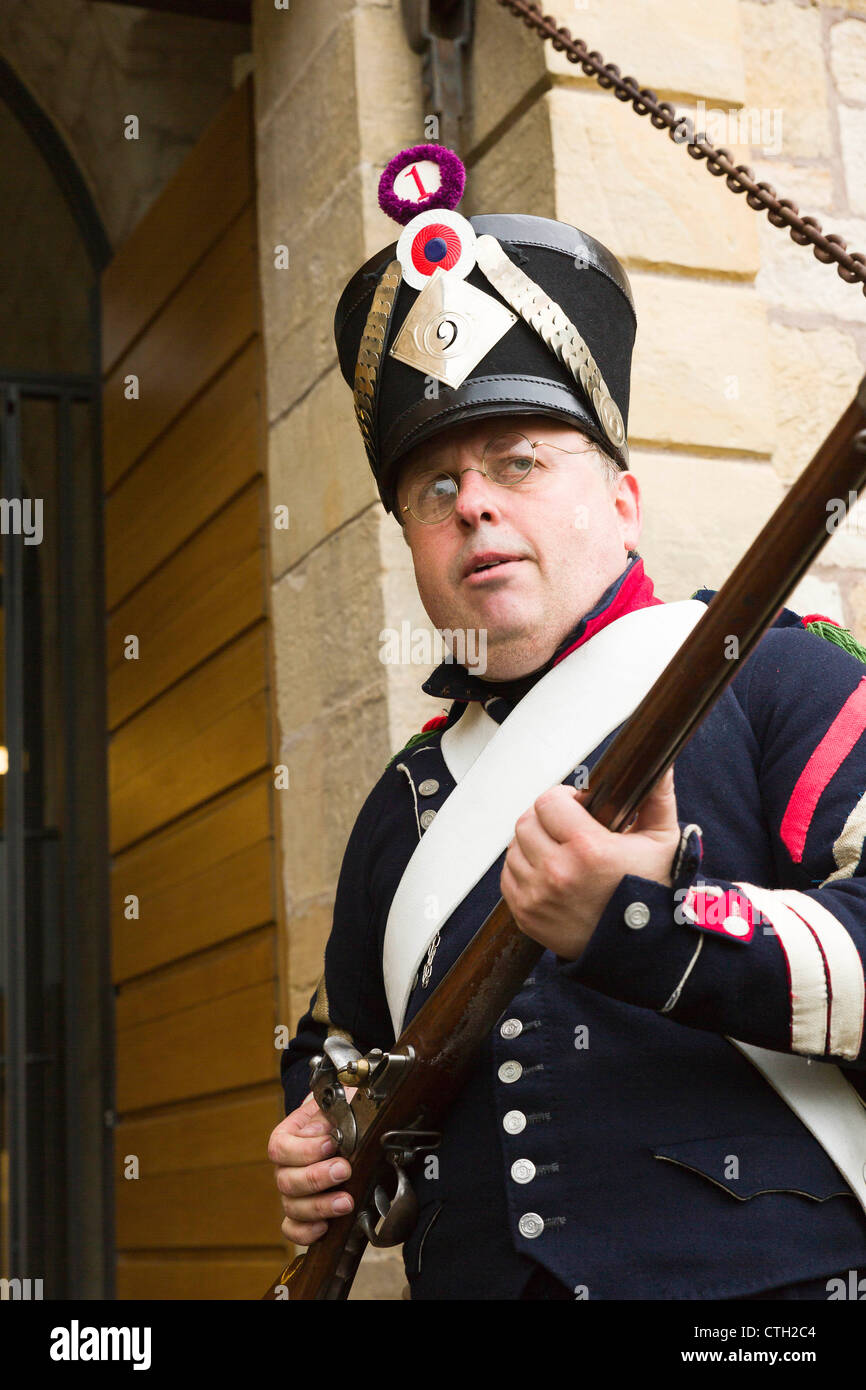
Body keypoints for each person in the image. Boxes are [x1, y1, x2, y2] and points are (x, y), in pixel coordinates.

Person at [267, 146, 866, 1300]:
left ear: (622, 497)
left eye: (518, 459)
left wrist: (646, 924)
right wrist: (321, 1138)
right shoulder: (402, 805)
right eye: (433, 491)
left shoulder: (779, 676)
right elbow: (343, 1044)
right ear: (414, 550)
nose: (475, 501)